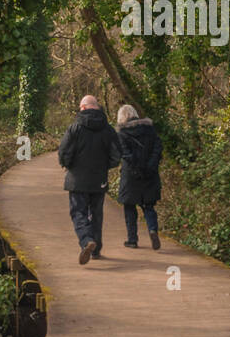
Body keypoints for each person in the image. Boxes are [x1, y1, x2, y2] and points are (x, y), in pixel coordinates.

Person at [58, 95, 121, 265]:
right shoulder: (108, 129)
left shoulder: (75, 127)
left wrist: (66, 164)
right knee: (96, 213)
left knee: (78, 212)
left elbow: (64, 151)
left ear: (84, 107)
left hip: (77, 179)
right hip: (99, 178)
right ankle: (96, 249)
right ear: (96, 107)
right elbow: (116, 155)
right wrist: (105, 167)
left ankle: (86, 241)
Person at [115, 104, 162, 250]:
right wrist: (150, 166)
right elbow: (158, 149)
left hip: (131, 177)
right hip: (150, 174)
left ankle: (132, 239)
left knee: (129, 208)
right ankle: (153, 230)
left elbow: (125, 154)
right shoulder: (150, 129)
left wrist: (136, 169)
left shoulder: (122, 134)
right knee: (148, 206)